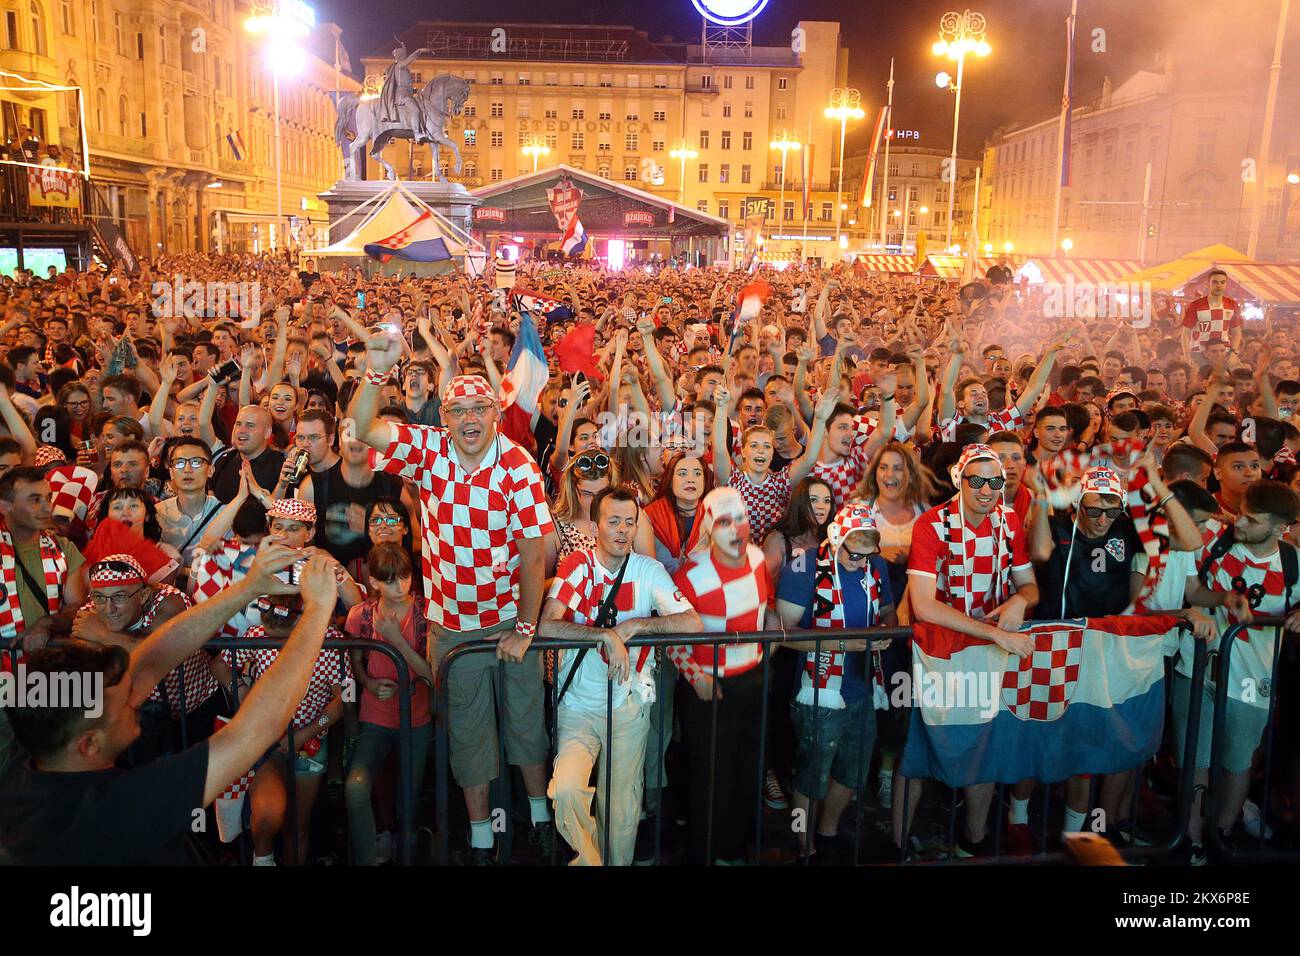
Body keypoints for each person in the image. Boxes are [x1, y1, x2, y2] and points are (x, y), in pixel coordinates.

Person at [352, 334, 555, 866]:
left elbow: (534, 557)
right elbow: (363, 427)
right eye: (458, 409)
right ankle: (482, 838)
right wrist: (375, 373)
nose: (469, 418)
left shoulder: (519, 465)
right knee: (468, 736)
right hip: (453, 628)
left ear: (495, 413)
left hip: (511, 620)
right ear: (444, 417)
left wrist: (526, 629)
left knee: (527, 724)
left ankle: (540, 818)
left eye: (479, 408)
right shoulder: (428, 451)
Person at [0, 545, 334, 864]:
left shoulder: (31, 756)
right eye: (126, 703)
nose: (137, 698)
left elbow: (150, 660)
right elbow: (255, 729)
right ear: (89, 743)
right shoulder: (121, 807)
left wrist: (250, 586)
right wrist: (318, 611)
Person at [540, 486, 700, 865]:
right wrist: (605, 636)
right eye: (614, 521)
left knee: (623, 808)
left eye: (630, 522)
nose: (623, 530)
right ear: (596, 525)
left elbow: (691, 621)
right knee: (565, 789)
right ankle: (590, 858)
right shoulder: (577, 565)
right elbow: (548, 624)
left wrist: (637, 626)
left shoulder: (649, 570)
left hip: (628, 707)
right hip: (577, 707)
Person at [901, 444, 1040, 858]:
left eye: (994, 482)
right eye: (975, 481)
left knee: (985, 742)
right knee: (921, 747)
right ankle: (897, 847)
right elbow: (924, 604)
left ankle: (972, 842)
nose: (985, 490)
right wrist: (993, 633)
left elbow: (1030, 584)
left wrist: (1021, 600)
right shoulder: (932, 524)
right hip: (937, 650)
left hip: (987, 651)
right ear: (959, 480)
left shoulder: (1009, 520)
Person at [1181, 480, 1300, 861]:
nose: (1240, 522)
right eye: (1241, 512)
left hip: (1254, 679)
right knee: (1194, 761)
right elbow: (1189, 585)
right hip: (1196, 667)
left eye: (1251, 519)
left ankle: (1223, 835)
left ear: (1279, 528)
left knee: (1237, 764)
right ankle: (1191, 841)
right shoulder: (1214, 540)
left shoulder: (1294, 562)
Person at [775, 503, 896, 862]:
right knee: (810, 777)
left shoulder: (876, 565)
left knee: (854, 771)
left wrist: (886, 627)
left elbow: (888, 609)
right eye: (853, 552)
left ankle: (827, 832)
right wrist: (845, 643)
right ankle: (804, 845)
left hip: (864, 685)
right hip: (818, 689)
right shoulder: (805, 565)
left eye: (867, 551)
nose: (860, 560)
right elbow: (782, 633)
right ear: (836, 538)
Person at [669, 487, 771, 865]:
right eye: (725, 522)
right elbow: (671, 637)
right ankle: (705, 855)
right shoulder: (691, 575)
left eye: (740, 519)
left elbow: (766, 612)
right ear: (710, 527)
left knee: (747, 774)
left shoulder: (759, 559)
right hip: (710, 691)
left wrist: (766, 656)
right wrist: (697, 677)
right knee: (712, 779)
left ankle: (733, 851)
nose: (735, 529)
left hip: (754, 681)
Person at [344, 543, 434, 866]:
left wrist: (396, 641)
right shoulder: (361, 615)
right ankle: (374, 849)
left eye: (406, 577)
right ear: (374, 583)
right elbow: (353, 664)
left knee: (409, 794)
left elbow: (432, 674)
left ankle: (407, 842)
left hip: (418, 717)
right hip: (376, 715)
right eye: (391, 580)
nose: (401, 586)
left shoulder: (428, 612)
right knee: (356, 787)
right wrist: (368, 683)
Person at [0, 466, 88, 651]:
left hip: (50, 668)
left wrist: (45, 625)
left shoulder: (64, 548)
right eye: (35, 500)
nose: (48, 507)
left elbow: (76, 606)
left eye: (48, 498)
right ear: (5, 507)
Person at [209, 406, 286, 504]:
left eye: (250, 425)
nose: (241, 430)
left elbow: (284, 514)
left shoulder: (280, 467)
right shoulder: (224, 460)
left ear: (267, 433)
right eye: (238, 424)